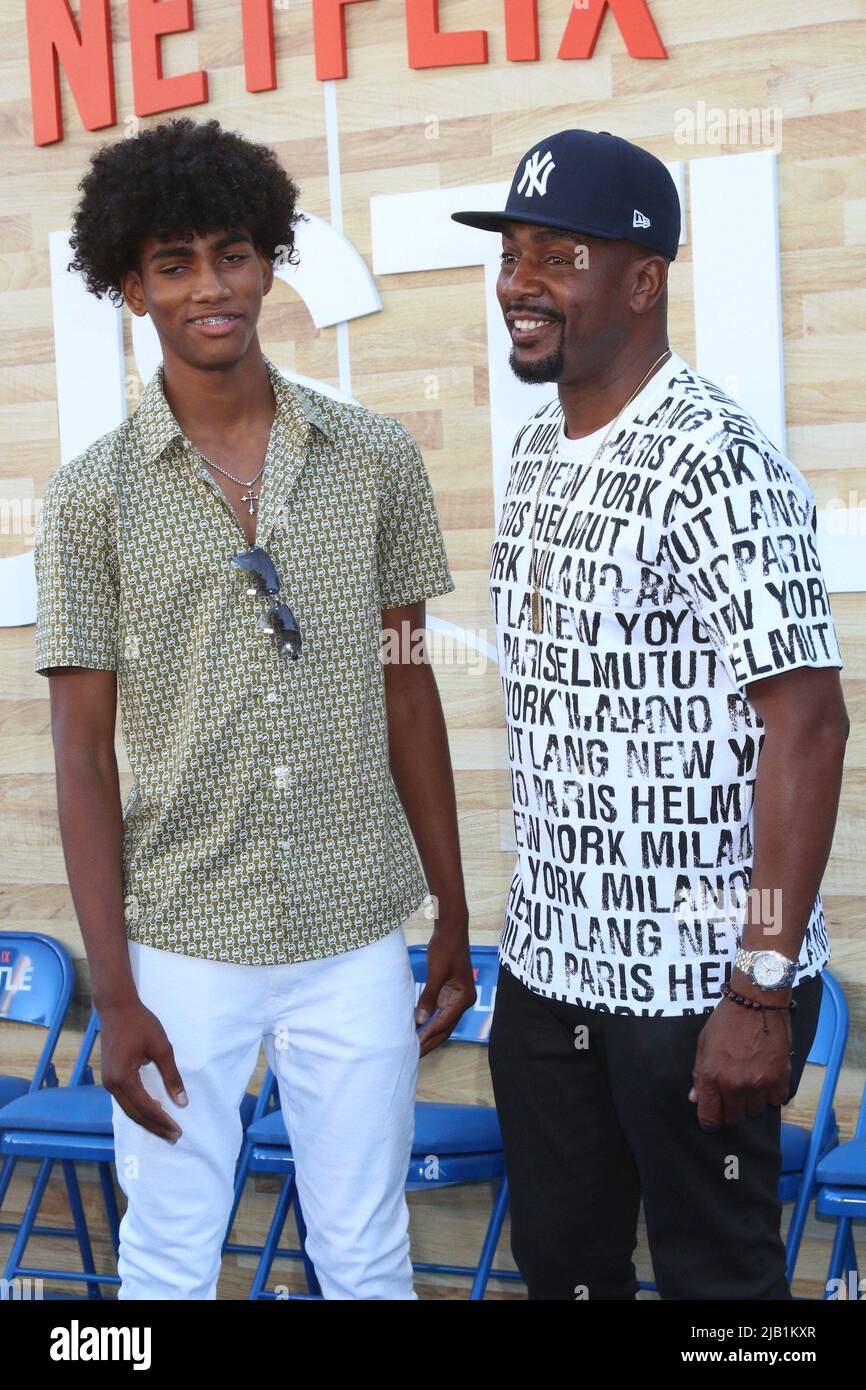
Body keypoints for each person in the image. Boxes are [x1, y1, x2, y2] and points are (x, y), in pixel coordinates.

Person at [33, 115, 474, 1300]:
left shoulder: (372, 455)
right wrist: (113, 992)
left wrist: (447, 905)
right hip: (179, 942)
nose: (210, 288)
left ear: (269, 259)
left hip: (351, 933)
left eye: (232, 253)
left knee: (366, 1249)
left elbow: (405, 683)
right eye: (172, 264)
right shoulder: (88, 502)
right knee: (170, 1261)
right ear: (130, 285)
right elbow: (79, 753)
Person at [452, 128, 849, 1300]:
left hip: (696, 985)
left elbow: (807, 729)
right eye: (511, 253)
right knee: (565, 1266)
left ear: (640, 278)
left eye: (554, 256)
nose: (518, 282)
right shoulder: (531, 451)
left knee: (716, 1284)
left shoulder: (715, 461)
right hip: (550, 967)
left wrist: (759, 986)